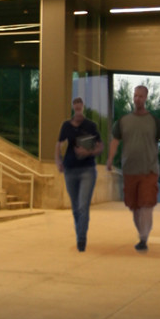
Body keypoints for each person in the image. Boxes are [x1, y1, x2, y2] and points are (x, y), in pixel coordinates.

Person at [107, 82, 160, 251]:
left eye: (141, 96)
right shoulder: (123, 121)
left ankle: (143, 238)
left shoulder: (154, 122)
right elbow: (115, 141)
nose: (137, 99)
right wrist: (110, 159)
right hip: (130, 170)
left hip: (149, 170)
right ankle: (141, 233)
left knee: (146, 204)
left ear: (146, 98)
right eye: (135, 96)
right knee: (134, 207)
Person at [56, 95, 102, 252]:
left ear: (83, 107)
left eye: (79, 106)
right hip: (70, 169)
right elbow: (59, 144)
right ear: (73, 107)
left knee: (83, 206)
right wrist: (58, 160)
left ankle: (81, 239)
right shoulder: (66, 126)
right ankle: (80, 233)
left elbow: (100, 146)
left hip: (87, 170)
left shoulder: (91, 126)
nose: (77, 108)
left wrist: (88, 152)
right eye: (75, 106)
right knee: (76, 207)